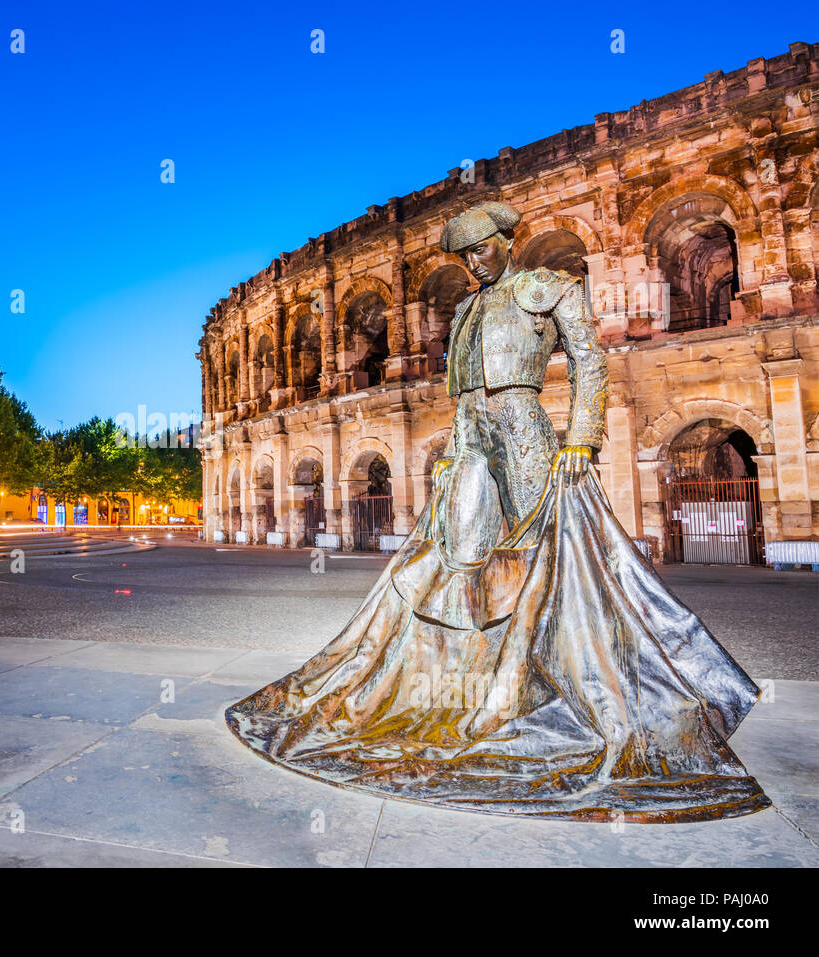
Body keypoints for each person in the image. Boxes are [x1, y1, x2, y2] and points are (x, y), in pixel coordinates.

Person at [226, 201, 769, 823]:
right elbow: (465, 386)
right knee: (459, 548)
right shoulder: (464, 308)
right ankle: (475, 675)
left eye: (481, 250)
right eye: (463, 257)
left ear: (507, 242)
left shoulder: (549, 286)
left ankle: (555, 675)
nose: (473, 263)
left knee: (550, 545)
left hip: (524, 423)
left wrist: (581, 436)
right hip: (470, 429)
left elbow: (590, 360)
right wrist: (457, 447)